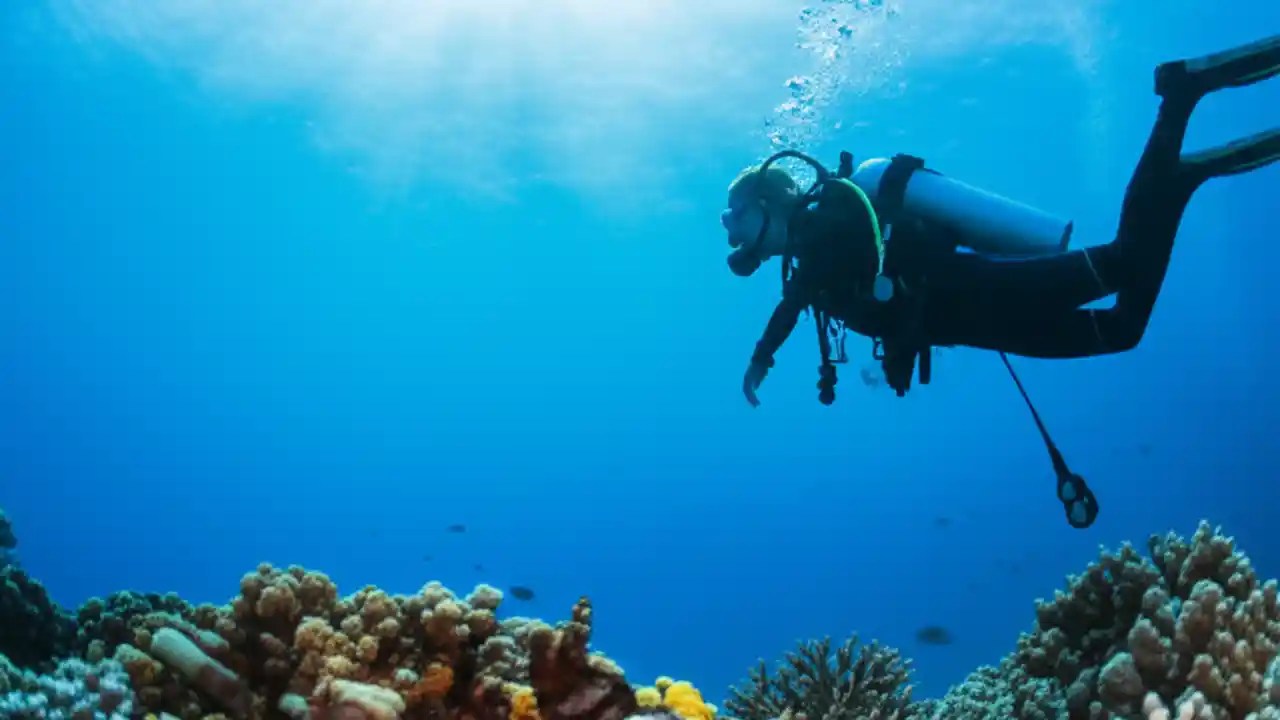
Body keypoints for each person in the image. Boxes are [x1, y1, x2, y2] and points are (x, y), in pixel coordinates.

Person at [720, 33, 1280, 529]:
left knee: (1125, 261)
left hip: (976, 290)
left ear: (767, 202)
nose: (729, 231)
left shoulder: (823, 222)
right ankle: (1176, 182)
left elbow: (793, 301)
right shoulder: (808, 254)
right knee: (1121, 329)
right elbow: (806, 295)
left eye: (734, 216)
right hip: (975, 322)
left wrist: (761, 358)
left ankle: (1177, 97)